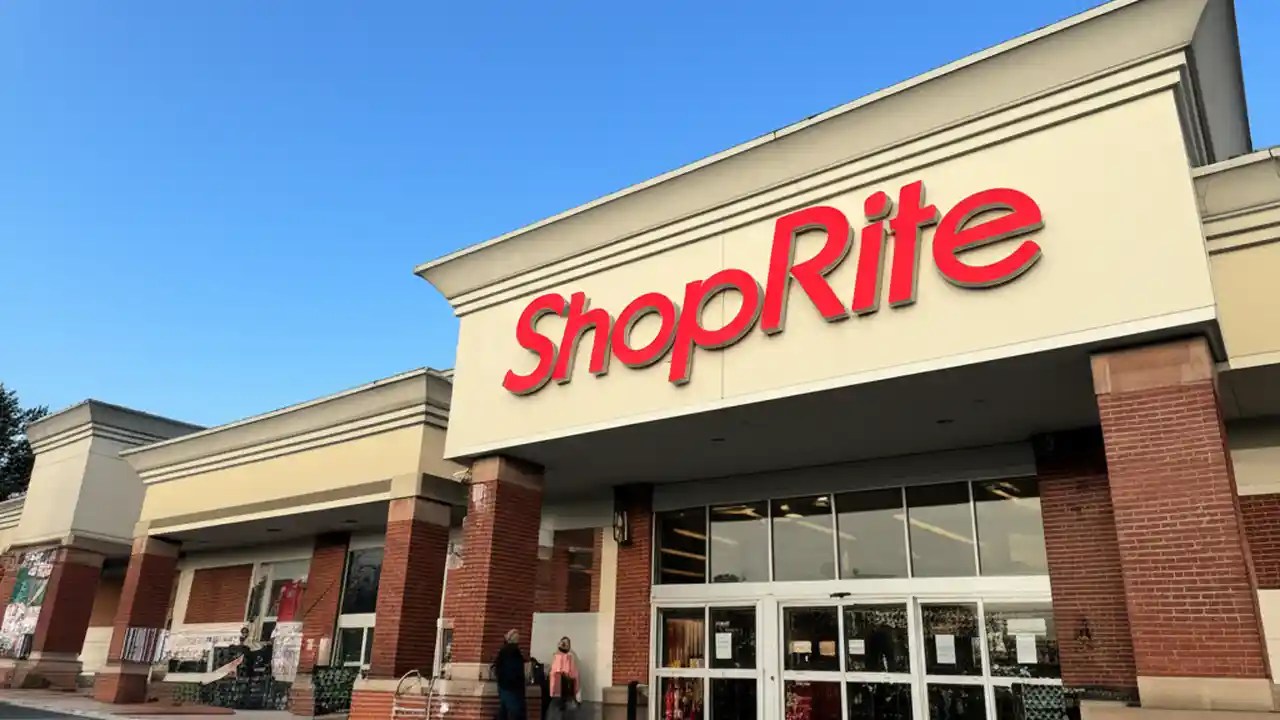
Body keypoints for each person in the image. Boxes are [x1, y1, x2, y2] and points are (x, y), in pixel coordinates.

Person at [491, 629, 527, 720]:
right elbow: (514, 670)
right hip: (512, 688)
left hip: (505, 686)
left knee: (504, 711)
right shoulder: (513, 652)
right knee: (515, 712)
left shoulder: (504, 651)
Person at [549, 636, 581, 719]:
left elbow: (575, 672)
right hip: (557, 688)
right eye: (563, 643)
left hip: (568, 686)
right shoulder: (556, 655)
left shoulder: (571, 655)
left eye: (566, 643)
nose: (564, 645)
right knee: (557, 710)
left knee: (568, 713)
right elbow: (554, 669)